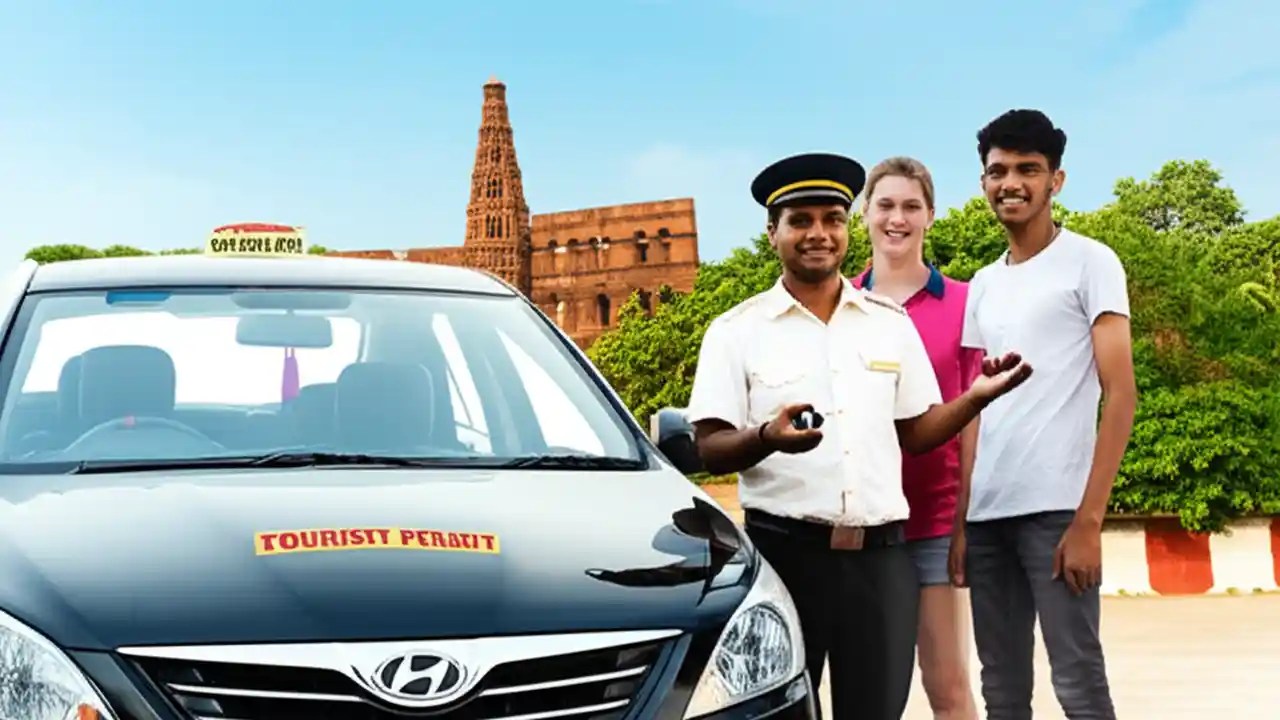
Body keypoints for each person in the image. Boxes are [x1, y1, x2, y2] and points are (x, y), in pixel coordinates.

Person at [685, 152, 1033, 720]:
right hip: (785, 558)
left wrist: (975, 397)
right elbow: (710, 447)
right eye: (800, 221)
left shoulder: (888, 323)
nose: (819, 234)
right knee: (778, 712)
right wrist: (767, 437)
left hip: (881, 562)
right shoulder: (735, 332)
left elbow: (917, 433)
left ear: (848, 228)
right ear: (773, 232)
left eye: (833, 219)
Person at [950, 110, 1137, 720]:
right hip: (988, 519)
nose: (1011, 183)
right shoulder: (982, 283)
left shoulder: (1091, 262)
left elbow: (1121, 393)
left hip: (1057, 513)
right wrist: (962, 521)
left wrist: (1089, 520)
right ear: (983, 182)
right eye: (998, 171)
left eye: (1028, 169)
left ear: (1056, 180)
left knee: (1079, 684)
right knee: (1002, 692)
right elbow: (976, 409)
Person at [850, 156, 980, 720]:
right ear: (864, 214)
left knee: (947, 686)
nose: (896, 219)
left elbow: (974, 418)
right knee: (868, 696)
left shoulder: (967, 303)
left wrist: (964, 522)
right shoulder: (839, 304)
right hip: (859, 530)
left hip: (933, 524)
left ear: (931, 214)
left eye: (910, 206)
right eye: (885, 205)